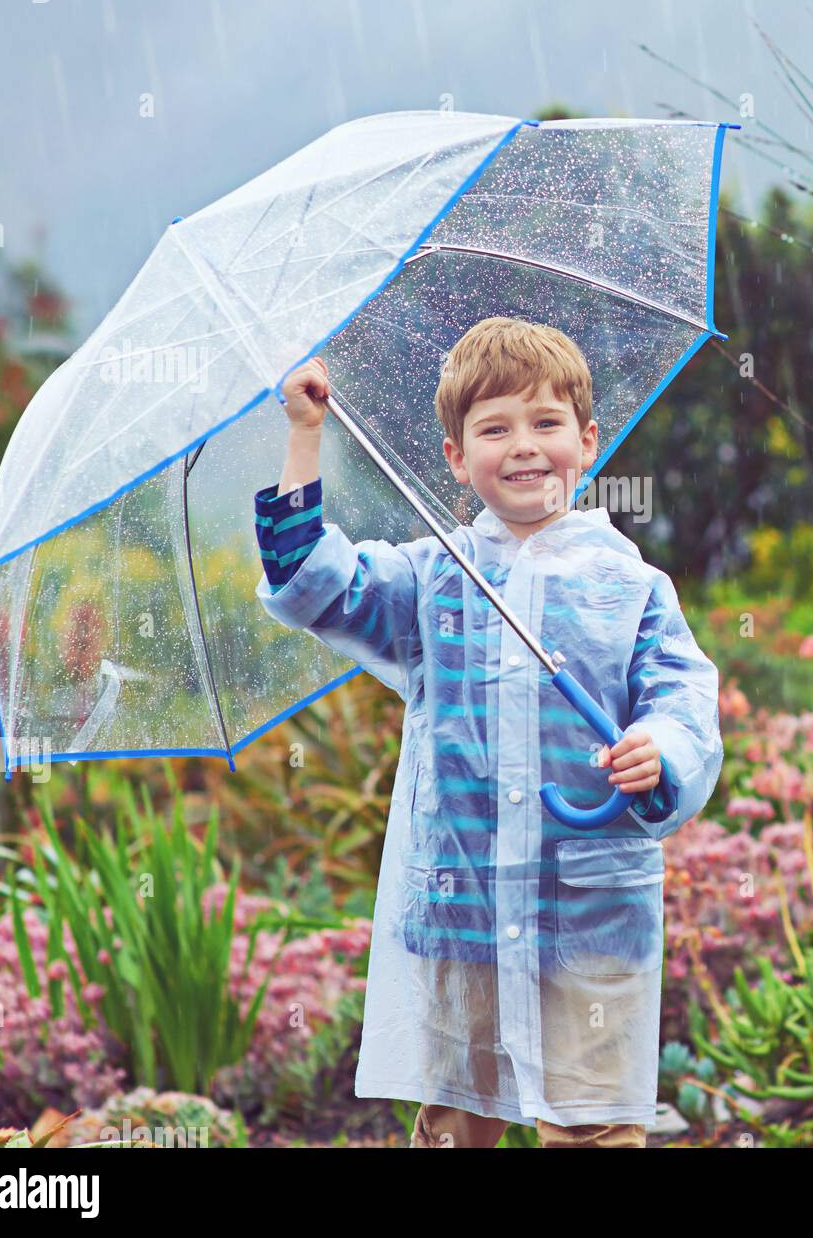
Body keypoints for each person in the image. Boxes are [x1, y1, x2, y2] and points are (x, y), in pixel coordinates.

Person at [252, 316, 723, 1148]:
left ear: (586, 438)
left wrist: (664, 750)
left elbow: (683, 699)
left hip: (592, 912)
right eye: (494, 428)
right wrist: (303, 433)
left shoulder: (632, 586)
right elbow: (312, 583)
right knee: (456, 1127)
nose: (524, 447)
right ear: (454, 457)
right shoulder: (431, 578)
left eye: (545, 424)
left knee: (595, 1126)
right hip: (460, 908)